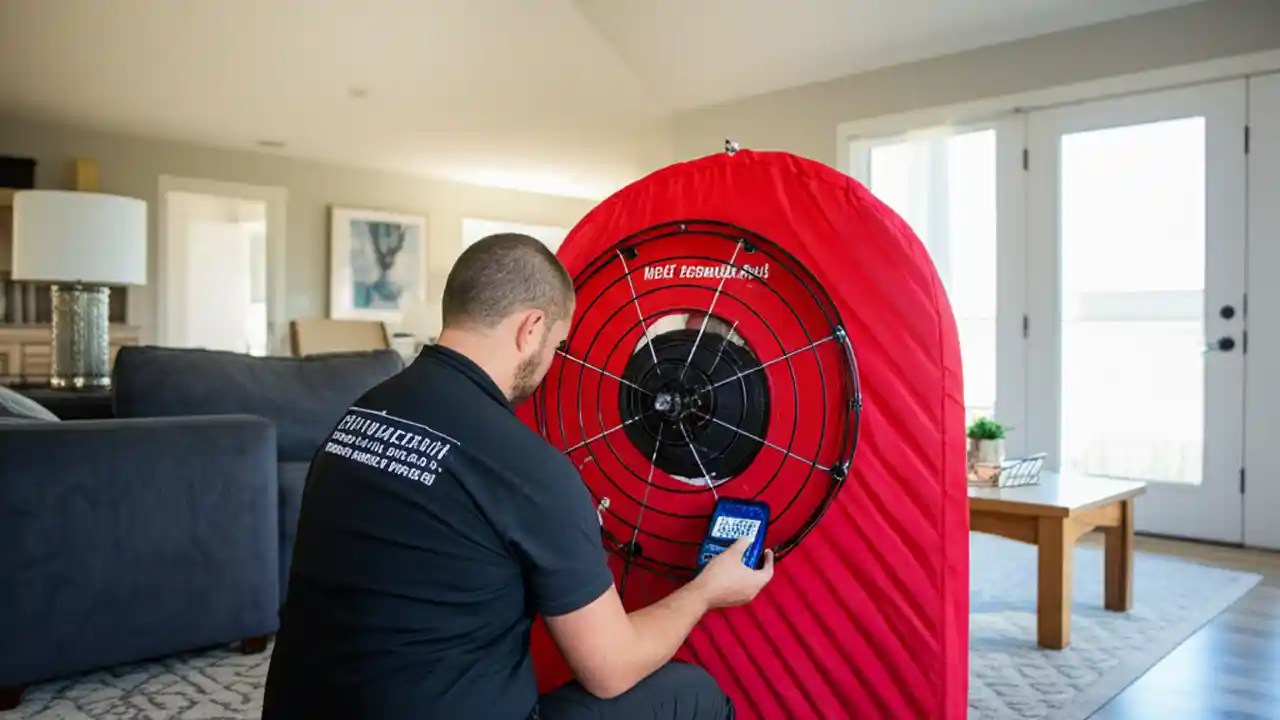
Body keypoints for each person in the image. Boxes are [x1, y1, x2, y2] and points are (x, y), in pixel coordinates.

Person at [262, 233, 774, 720]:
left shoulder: (360, 415)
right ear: (530, 328)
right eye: (557, 343)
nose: (552, 362)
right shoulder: (532, 469)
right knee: (693, 695)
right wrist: (706, 591)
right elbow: (610, 669)